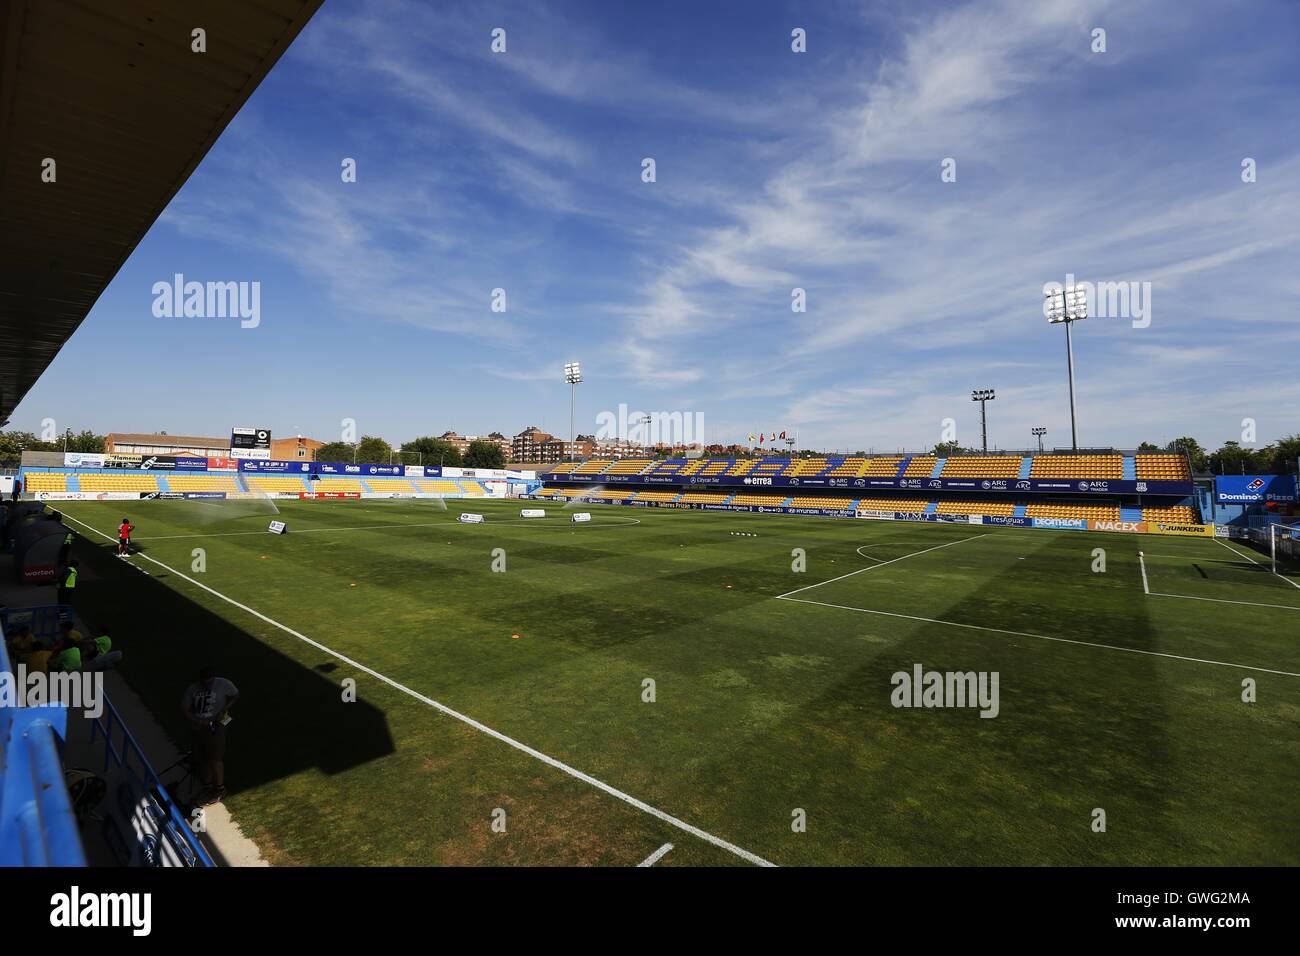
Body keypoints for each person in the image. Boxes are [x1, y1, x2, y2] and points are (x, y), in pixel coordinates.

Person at [181, 666, 240, 804]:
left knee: (214, 757)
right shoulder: (193, 689)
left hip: (216, 725)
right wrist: (197, 720)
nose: (207, 685)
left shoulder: (224, 684)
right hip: (200, 726)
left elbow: (235, 695)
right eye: (204, 682)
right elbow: (185, 707)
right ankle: (207, 786)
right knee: (202, 758)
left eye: (210, 681)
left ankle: (220, 789)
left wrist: (224, 709)